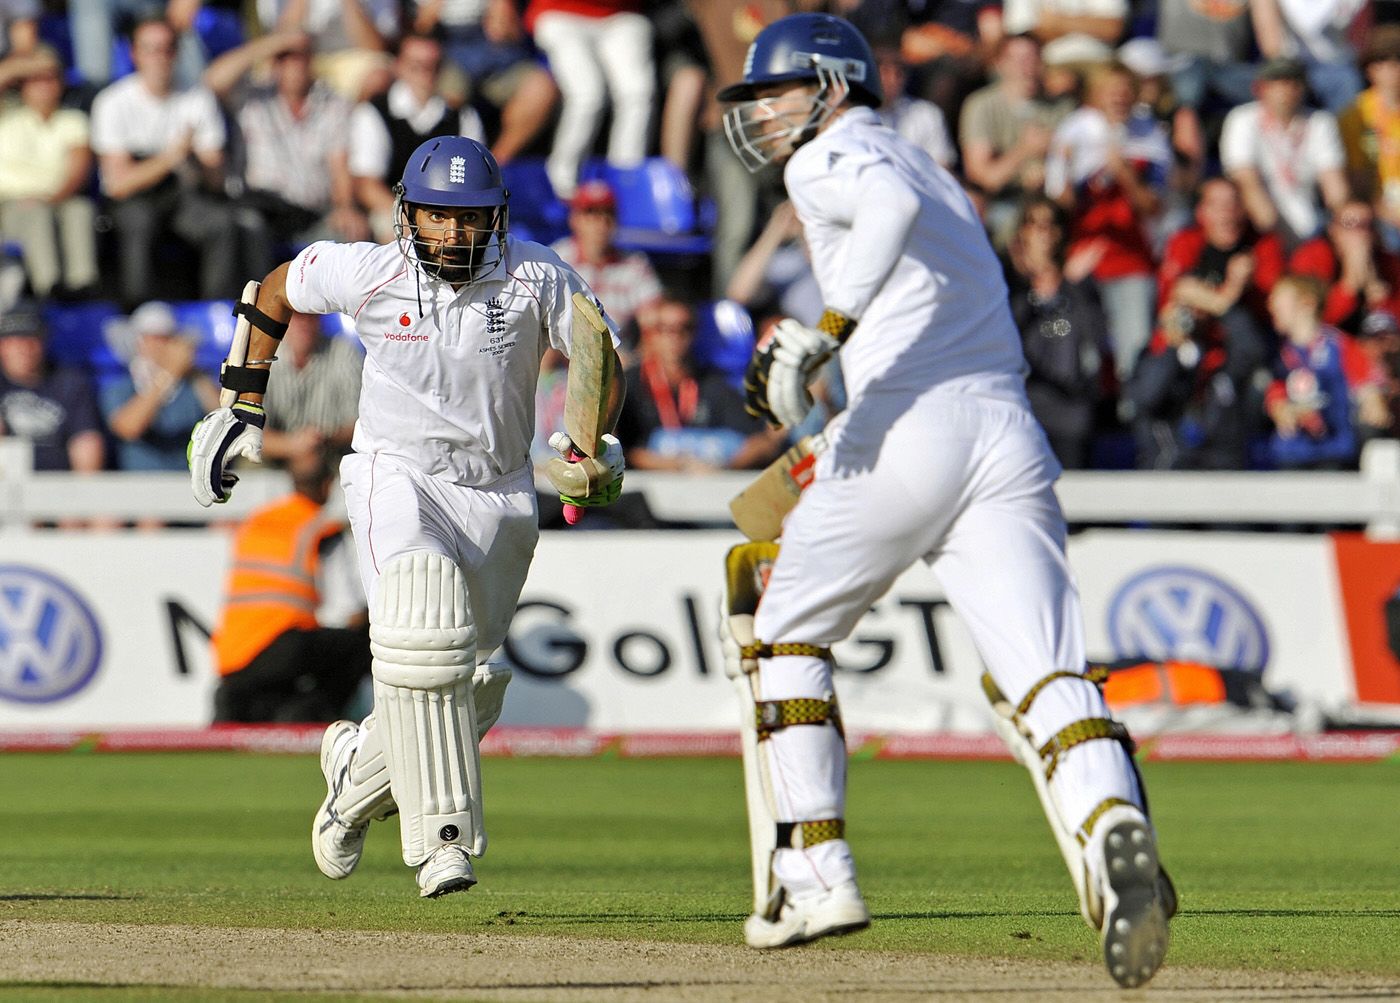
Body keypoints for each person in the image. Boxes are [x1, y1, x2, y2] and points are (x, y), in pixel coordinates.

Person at [715, 13, 1174, 988]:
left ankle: (815, 874)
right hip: (1003, 432)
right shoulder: (933, 167)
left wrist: (823, 331)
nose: (762, 112)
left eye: (777, 90)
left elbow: (877, 213)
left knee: (784, 633)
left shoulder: (831, 158)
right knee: (1046, 673)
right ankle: (1110, 824)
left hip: (906, 430)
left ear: (832, 85)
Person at [188, 135, 627, 899]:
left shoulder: (535, 274)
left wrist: (593, 445)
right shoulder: (371, 270)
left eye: (470, 217)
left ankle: (352, 781)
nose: (453, 232)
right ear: (407, 214)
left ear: (496, 218)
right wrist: (240, 404)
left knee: (468, 681)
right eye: (436, 215)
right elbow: (275, 289)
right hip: (396, 474)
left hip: (499, 494)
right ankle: (444, 845)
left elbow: (599, 356)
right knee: (424, 634)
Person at [210, 445, 372, 722]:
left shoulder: (257, 520)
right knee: (361, 644)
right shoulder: (321, 529)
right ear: (328, 485)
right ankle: (321, 718)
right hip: (283, 646)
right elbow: (348, 610)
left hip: (233, 654)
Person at [1130, 177, 1279, 470]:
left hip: (1233, 368)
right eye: (1217, 205)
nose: (1227, 213)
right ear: (1202, 212)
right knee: (1151, 389)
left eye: (1233, 204)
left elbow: (1276, 309)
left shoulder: (1261, 246)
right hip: (1181, 360)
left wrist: (1211, 300)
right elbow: (1178, 292)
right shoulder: (1187, 241)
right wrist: (1229, 293)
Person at [89, 16, 238, 305]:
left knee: (221, 223)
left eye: (167, 48)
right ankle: (138, 310)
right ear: (134, 54)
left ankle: (217, 309)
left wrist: (205, 164)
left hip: (182, 193)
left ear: (177, 53)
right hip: (133, 200)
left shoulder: (198, 98)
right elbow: (119, 184)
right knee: (138, 222)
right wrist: (171, 157)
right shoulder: (112, 102)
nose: (159, 57)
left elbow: (216, 180)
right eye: (150, 49)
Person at [203, 30, 369, 277]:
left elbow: (339, 165)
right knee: (248, 226)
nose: (294, 65)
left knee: (352, 237)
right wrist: (275, 42)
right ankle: (258, 300)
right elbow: (212, 81)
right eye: (285, 57)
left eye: (300, 57)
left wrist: (345, 207)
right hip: (262, 209)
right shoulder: (251, 99)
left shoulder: (332, 104)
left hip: (313, 213)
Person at [1045, 61, 1172, 382]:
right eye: (1111, 90)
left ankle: (1132, 407)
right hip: (1084, 261)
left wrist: (1123, 172)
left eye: (1126, 90)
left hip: (1132, 260)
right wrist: (1068, 167)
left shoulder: (1149, 135)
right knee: (1083, 351)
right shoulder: (1074, 131)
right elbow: (1060, 202)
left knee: (1135, 351)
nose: (1119, 97)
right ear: (1095, 94)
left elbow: (1155, 207)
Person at [614, 294, 784, 472]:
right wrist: (676, 466)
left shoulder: (713, 383)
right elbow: (617, 447)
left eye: (684, 328)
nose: (675, 337)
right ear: (650, 335)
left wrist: (722, 469)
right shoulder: (628, 384)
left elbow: (762, 443)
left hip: (709, 483)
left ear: (695, 333)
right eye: (664, 329)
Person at [349, 33, 487, 243]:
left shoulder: (463, 115)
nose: (425, 73)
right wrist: (410, 219)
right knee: (392, 232)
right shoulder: (374, 112)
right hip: (393, 209)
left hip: (452, 213)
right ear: (399, 66)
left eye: (433, 65)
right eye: (416, 65)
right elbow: (367, 185)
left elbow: (478, 179)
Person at [524, 0, 656, 198]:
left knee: (637, 94)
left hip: (622, 13)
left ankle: (625, 184)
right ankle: (563, 187)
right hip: (560, 11)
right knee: (588, 95)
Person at [1220, 56, 1350, 250]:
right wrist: (1268, 225)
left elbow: (1334, 184)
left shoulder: (1320, 122)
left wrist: (1343, 217)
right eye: (1278, 83)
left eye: (1293, 83)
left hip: (1311, 221)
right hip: (1259, 225)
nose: (1286, 90)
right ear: (1260, 88)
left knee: (1354, 226)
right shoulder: (1242, 119)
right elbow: (1245, 179)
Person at [0, 46, 99, 299]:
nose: (44, 86)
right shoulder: (6, 115)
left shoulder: (73, 120)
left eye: (50, 78)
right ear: (22, 83)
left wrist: (50, 199)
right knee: (36, 213)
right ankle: (48, 289)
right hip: (11, 205)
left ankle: (82, 287)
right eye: (35, 79)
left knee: (80, 209)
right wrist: (26, 65)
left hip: (58, 199)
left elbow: (78, 171)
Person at [1264, 272, 1388, 469]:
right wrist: (1282, 410)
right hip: (1292, 452)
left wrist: (1372, 400)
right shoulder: (1277, 353)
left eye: (1278, 298)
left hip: (1335, 450)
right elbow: (1275, 393)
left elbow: (1368, 385)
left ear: (1307, 303)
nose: (1270, 305)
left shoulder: (1341, 346)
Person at [101, 300, 221, 472]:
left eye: (166, 339)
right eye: (151, 339)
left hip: (188, 480)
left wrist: (194, 372)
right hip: (139, 483)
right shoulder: (119, 387)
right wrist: (170, 373)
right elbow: (128, 427)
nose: (158, 346)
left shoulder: (195, 383)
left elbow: (223, 417)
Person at [549, 179, 662, 345]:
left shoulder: (634, 265)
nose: (601, 222)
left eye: (608, 213)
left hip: (617, 354)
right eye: (591, 213)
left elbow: (653, 322)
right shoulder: (556, 260)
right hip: (563, 352)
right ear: (574, 219)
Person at [0, 299, 105, 472]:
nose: (25, 349)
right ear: (2, 346)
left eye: (32, 340)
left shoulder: (69, 381)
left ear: (44, 341)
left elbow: (86, 439)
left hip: (58, 482)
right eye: (16, 341)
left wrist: (85, 486)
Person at [259, 311, 363, 465]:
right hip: (274, 460)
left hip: (332, 454)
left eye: (311, 316)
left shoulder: (343, 351)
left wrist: (321, 439)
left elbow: (360, 424)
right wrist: (295, 445)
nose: (304, 324)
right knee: (245, 461)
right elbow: (249, 433)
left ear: (320, 319)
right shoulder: (264, 358)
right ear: (284, 321)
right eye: (297, 318)